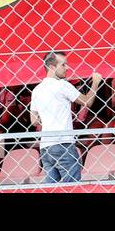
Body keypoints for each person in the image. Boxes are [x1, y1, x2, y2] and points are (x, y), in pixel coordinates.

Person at [29, 51, 101, 184]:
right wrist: (95, 83)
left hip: (46, 145)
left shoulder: (37, 90)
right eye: (63, 65)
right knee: (71, 184)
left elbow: (34, 120)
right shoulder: (62, 85)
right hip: (63, 142)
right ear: (52, 67)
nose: (67, 68)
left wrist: (49, 118)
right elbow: (87, 102)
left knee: (51, 185)